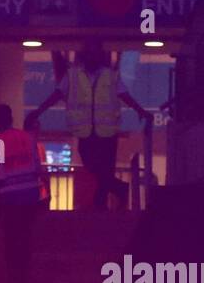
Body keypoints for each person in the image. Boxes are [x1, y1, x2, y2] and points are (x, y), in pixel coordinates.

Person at [27, 41, 150, 210]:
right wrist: (39, 111)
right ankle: (119, 189)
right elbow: (57, 94)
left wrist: (140, 111)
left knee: (104, 170)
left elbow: (124, 94)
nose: (92, 57)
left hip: (107, 132)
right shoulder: (73, 75)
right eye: (90, 53)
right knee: (92, 166)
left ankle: (100, 203)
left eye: (95, 53)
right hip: (86, 132)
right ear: (85, 56)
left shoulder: (110, 75)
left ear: (99, 57)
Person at [0, 104, 44, 283]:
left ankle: (14, 280)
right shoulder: (28, 138)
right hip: (30, 195)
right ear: (11, 117)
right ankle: (26, 277)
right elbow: (37, 166)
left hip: (9, 198)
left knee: (11, 239)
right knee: (25, 236)